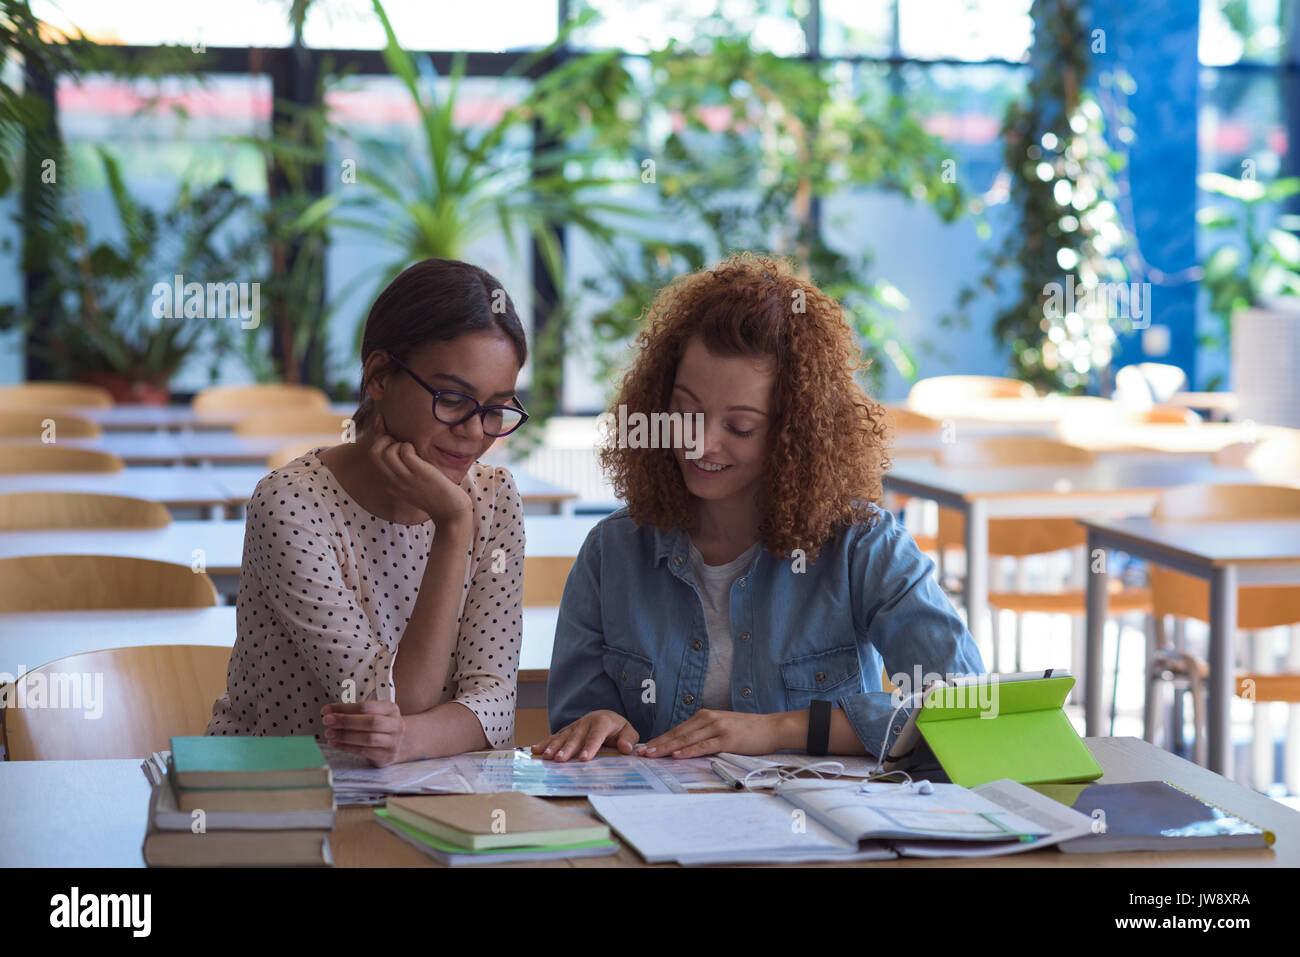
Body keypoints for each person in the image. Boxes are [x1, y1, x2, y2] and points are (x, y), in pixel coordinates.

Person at [538, 252, 984, 763]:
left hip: (821, 833)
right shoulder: (612, 553)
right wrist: (597, 726)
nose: (702, 445)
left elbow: (964, 707)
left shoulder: (864, 548)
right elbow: (574, 721)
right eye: (686, 413)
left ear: (795, 433)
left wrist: (780, 730)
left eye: (741, 428)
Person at [207, 258, 530, 766]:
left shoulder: (494, 496)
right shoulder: (291, 504)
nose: (474, 431)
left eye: (496, 408)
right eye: (452, 399)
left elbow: (494, 705)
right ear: (380, 376)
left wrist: (408, 740)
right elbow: (394, 700)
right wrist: (452, 526)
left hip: (424, 789)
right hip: (276, 794)